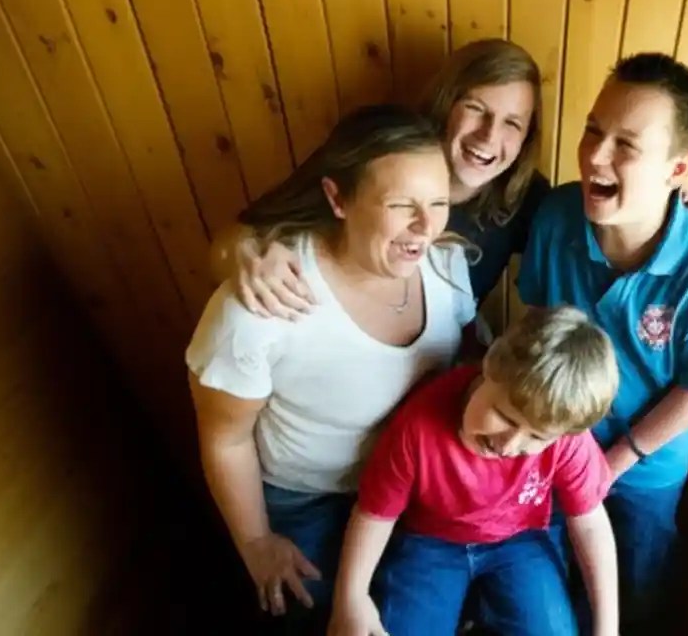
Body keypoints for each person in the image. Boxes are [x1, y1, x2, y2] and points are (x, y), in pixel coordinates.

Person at [186, 105, 476, 632]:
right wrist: (256, 542)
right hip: (307, 498)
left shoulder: (447, 268)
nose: (426, 226)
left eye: (438, 202)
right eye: (400, 205)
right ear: (337, 199)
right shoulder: (261, 308)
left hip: (410, 484)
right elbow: (225, 438)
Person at [517, 53, 688, 634]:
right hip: (554, 447)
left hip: (647, 467)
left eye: (626, 144)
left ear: (677, 169)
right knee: (543, 579)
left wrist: (614, 462)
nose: (595, 154)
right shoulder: (555, 218)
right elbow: (538, 327)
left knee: (638, 588)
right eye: (594, 129)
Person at [327, 306, 621, 636]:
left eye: (536, 437)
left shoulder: (567, 440)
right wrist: (350, 598)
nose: (509, 444)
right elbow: (374, 514)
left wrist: (607, 628)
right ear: (489, 365)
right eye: (505, 417)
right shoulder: (417, 427)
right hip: (431, 542)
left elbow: (591, 524)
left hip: (518, 542)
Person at [217, 39, 550, 316]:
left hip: (440, 353)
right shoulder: (380, 150)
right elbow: (237, 234)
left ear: (525, 139)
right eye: (477, 109)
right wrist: (247, 256)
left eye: (512, 123)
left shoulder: (525, 197)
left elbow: (573, 256)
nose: (489, 136)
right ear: (446, 102)